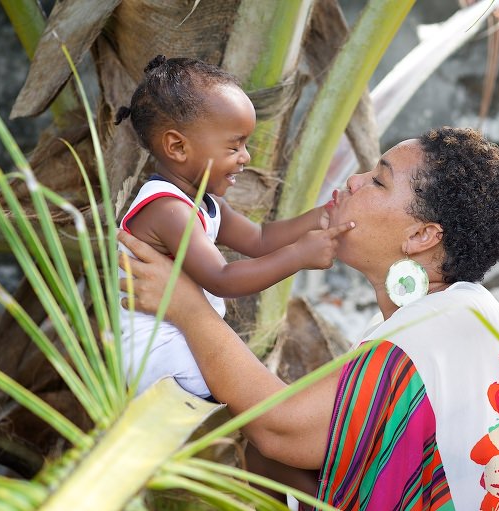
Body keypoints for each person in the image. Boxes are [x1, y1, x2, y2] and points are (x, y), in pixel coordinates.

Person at [118, 127, 499, 509]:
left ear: (421, 236)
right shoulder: (459, 315)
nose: (354, 181)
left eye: (378, 180)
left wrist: (186, 306)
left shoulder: (439, 327)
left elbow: (282, 430)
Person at [115, 55, 352, 398]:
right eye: (233, 146)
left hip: (185, 340)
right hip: (160, 355)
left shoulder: (202, 201)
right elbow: (222, 279)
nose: (246, 157)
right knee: (251, 388)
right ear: (178, 147)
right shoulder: (168, 210)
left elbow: (259, 239)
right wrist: (299, 255)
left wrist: (318, 218)